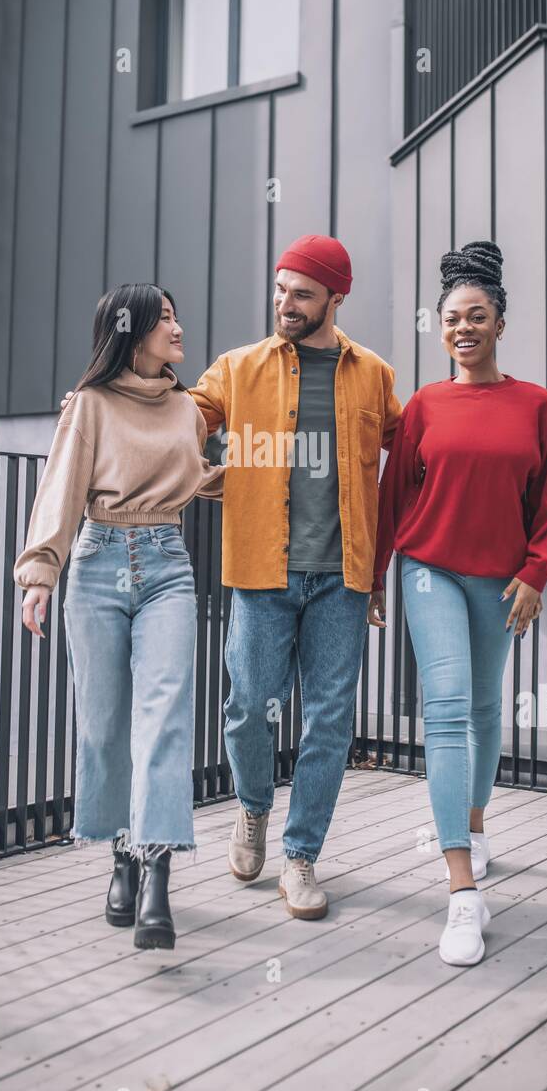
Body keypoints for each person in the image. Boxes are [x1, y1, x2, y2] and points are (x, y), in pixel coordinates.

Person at [189, 235, 402, 919]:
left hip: (341, 578)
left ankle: (301, 855)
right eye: (280, 290)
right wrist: (111, 406)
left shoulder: (372, 374)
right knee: (249, 706)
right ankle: (252, 808)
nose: (285, 303)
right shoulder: (237, 367)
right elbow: (181, 419)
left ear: (336, 299)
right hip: (261, 572)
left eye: (302, 294)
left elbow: (425, 443)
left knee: (330, 722)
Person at [369, 241, 547, 966]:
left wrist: (538, 572)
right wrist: (373, 578)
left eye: (477, 316)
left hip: (502, 578)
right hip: (430, 569)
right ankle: (461, 893)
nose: (463, 329)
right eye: (452, 318)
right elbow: (394, 499)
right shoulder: (423, 405)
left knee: (486, 709)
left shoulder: (536, 405)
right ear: (440, 326)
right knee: (448, 707)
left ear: (499, 323)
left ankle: (476, 827)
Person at [14, 284, 223, 951]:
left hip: (166, 563)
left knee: (162, 721)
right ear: (131, 334)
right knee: (105, 726)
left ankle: (158, 880)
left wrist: (267, 469)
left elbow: (196, 480)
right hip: (100, 564)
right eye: (165, 319)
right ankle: (121, 858)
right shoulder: (91, 406)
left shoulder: (187, 409)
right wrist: (40, 572)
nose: (178, 327)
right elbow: (61, 487)